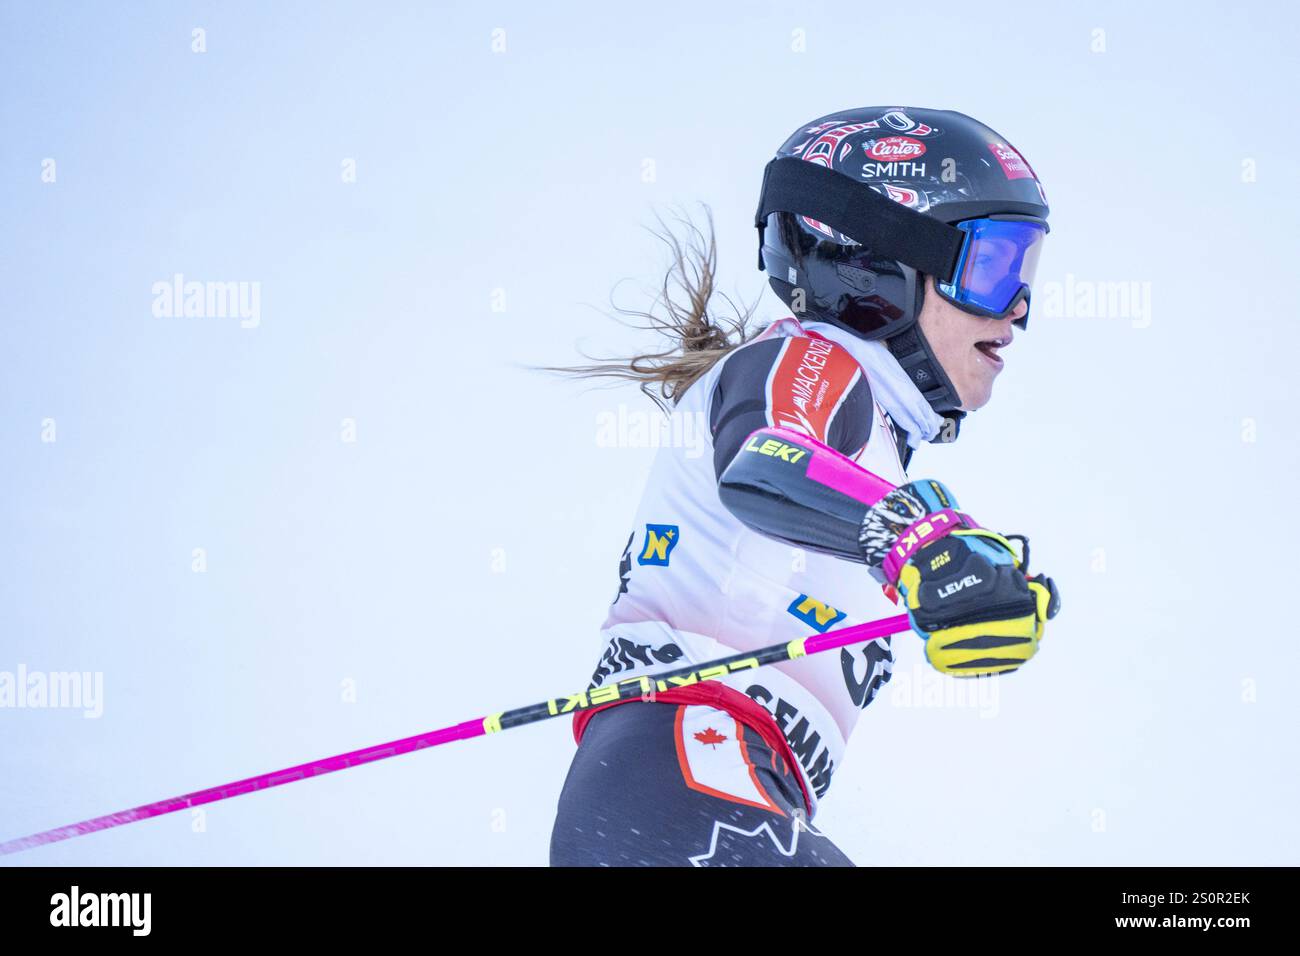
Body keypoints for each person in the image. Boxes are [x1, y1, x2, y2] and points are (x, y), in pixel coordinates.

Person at [548, 106, 1061, 867]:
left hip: (692, 789)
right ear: (880, 262)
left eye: (1026, 273)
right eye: (994, 267)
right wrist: (919, 544)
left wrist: (974, 584)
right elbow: (766, 457)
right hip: (691, 770)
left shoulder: (871, 447)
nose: (1018, 307)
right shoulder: (811, 358)